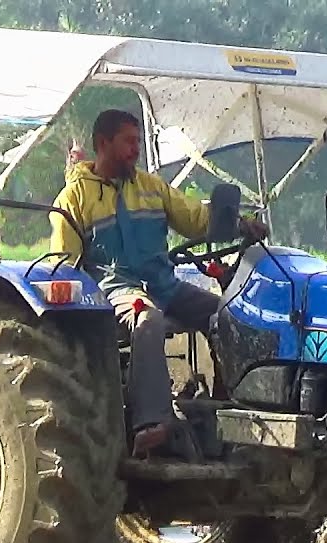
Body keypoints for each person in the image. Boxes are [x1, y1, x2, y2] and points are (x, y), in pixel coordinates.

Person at [48, 109, 268, 457]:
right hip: (115, 290)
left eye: (138, 141)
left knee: (226, 313)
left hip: (164, 286)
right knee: (146, 319)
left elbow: (195, 219)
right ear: (103, 143)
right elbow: (64, 266)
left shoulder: (151, 187)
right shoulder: (74, 199)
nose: (135, 149)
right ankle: (152, 421)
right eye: (128, 141)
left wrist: (240, 223)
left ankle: (229, 402)